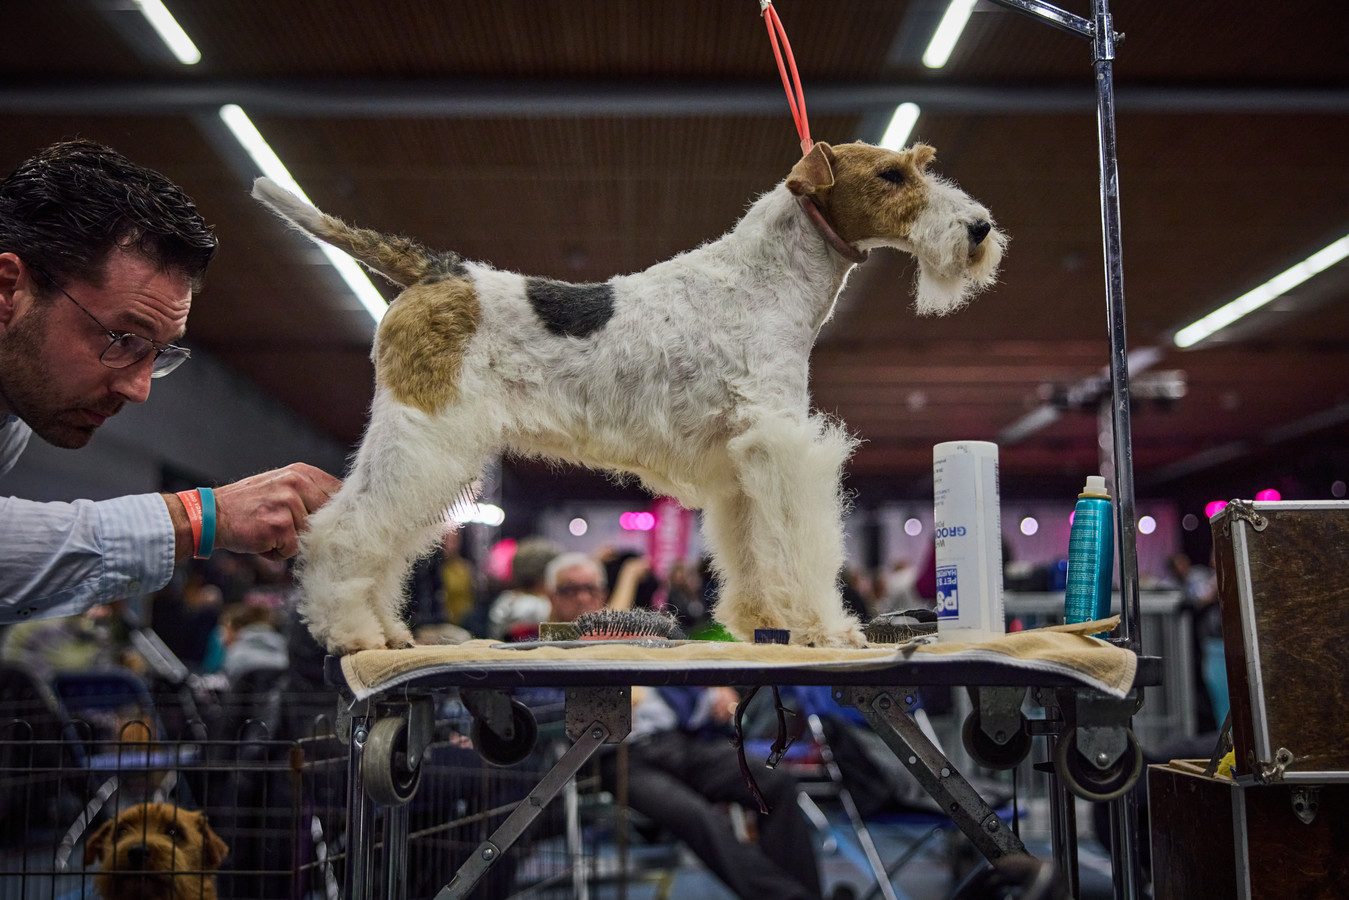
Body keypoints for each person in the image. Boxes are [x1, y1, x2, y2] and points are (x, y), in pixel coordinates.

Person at [0, 140, 341, 623]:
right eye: (123, 339)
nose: (139, 390)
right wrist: (199, 517)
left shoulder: (13, 410)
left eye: (157, 353)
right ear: (8, 288)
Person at [542, 553, 825, 900]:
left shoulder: (631, 634)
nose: (583, 597)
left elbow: (683, 683)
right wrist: (602, 702)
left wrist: (713, 692)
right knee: (699, 818)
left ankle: (807, 895)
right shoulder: (544, 645)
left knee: (774, 783)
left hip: (679, 742)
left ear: (603, 592)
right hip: (620, 759)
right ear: (551, 595)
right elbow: (538, 704)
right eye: (570, 590)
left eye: (590, 589)